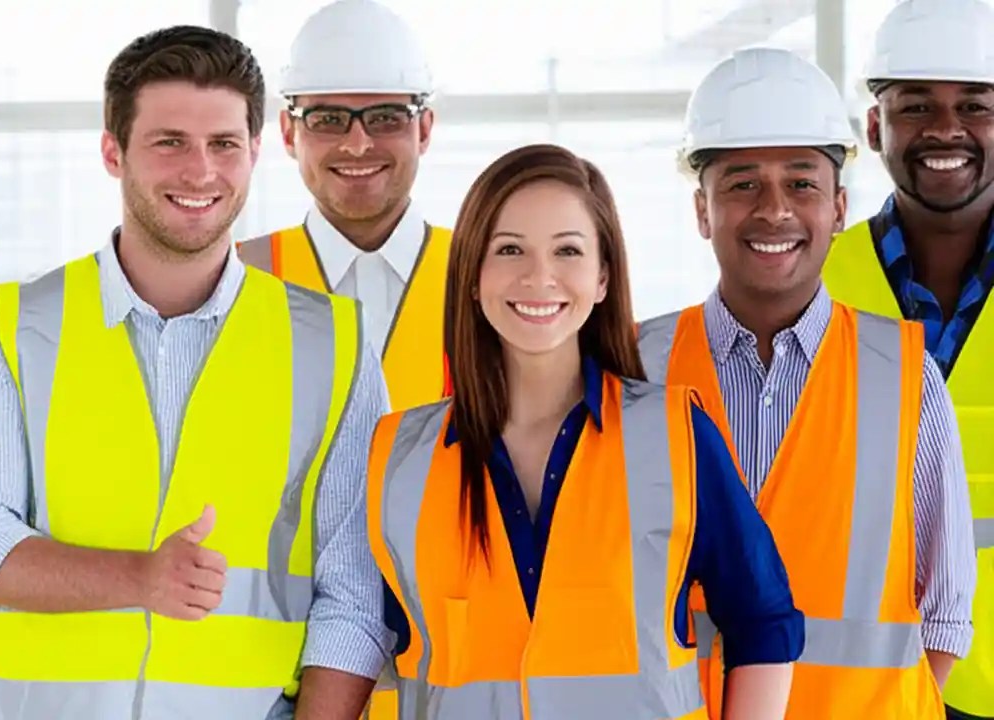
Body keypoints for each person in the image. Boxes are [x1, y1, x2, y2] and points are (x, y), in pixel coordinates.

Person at [0, 26, 393, 719]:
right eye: (169, 142)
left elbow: (354, 597)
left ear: (256, 153)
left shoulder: (336, 347)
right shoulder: (10, 327)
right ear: (114, 152)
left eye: (224, 145)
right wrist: (139, 579)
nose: (200, 171)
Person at [367, 143, 802, 719]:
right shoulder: (398, 457)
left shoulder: (674, 437)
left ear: (602, 278)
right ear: (472, 276)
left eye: (567, 251)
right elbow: (366, 642)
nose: (539, 276)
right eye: (510, 249)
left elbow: (763, 622)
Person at [638, 47, 976, 719]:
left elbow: (943, 617)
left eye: (801, 183)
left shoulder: (906, 376)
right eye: (740, 184)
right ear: (702, 211)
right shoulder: (633, 367)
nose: (774, 211)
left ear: (839, 206)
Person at [823, 1, 994, 716]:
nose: (945, 129)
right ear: (874, 127)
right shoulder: (817, 281)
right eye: (915, 105)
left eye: (975, 106)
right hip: (869, 683)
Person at [237, 0, 452, 416]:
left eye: (387, 117)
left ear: (423, 129)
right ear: (288, 131)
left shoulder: (488, 273)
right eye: (328, 119)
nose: (357, 144)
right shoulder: (234, 278)